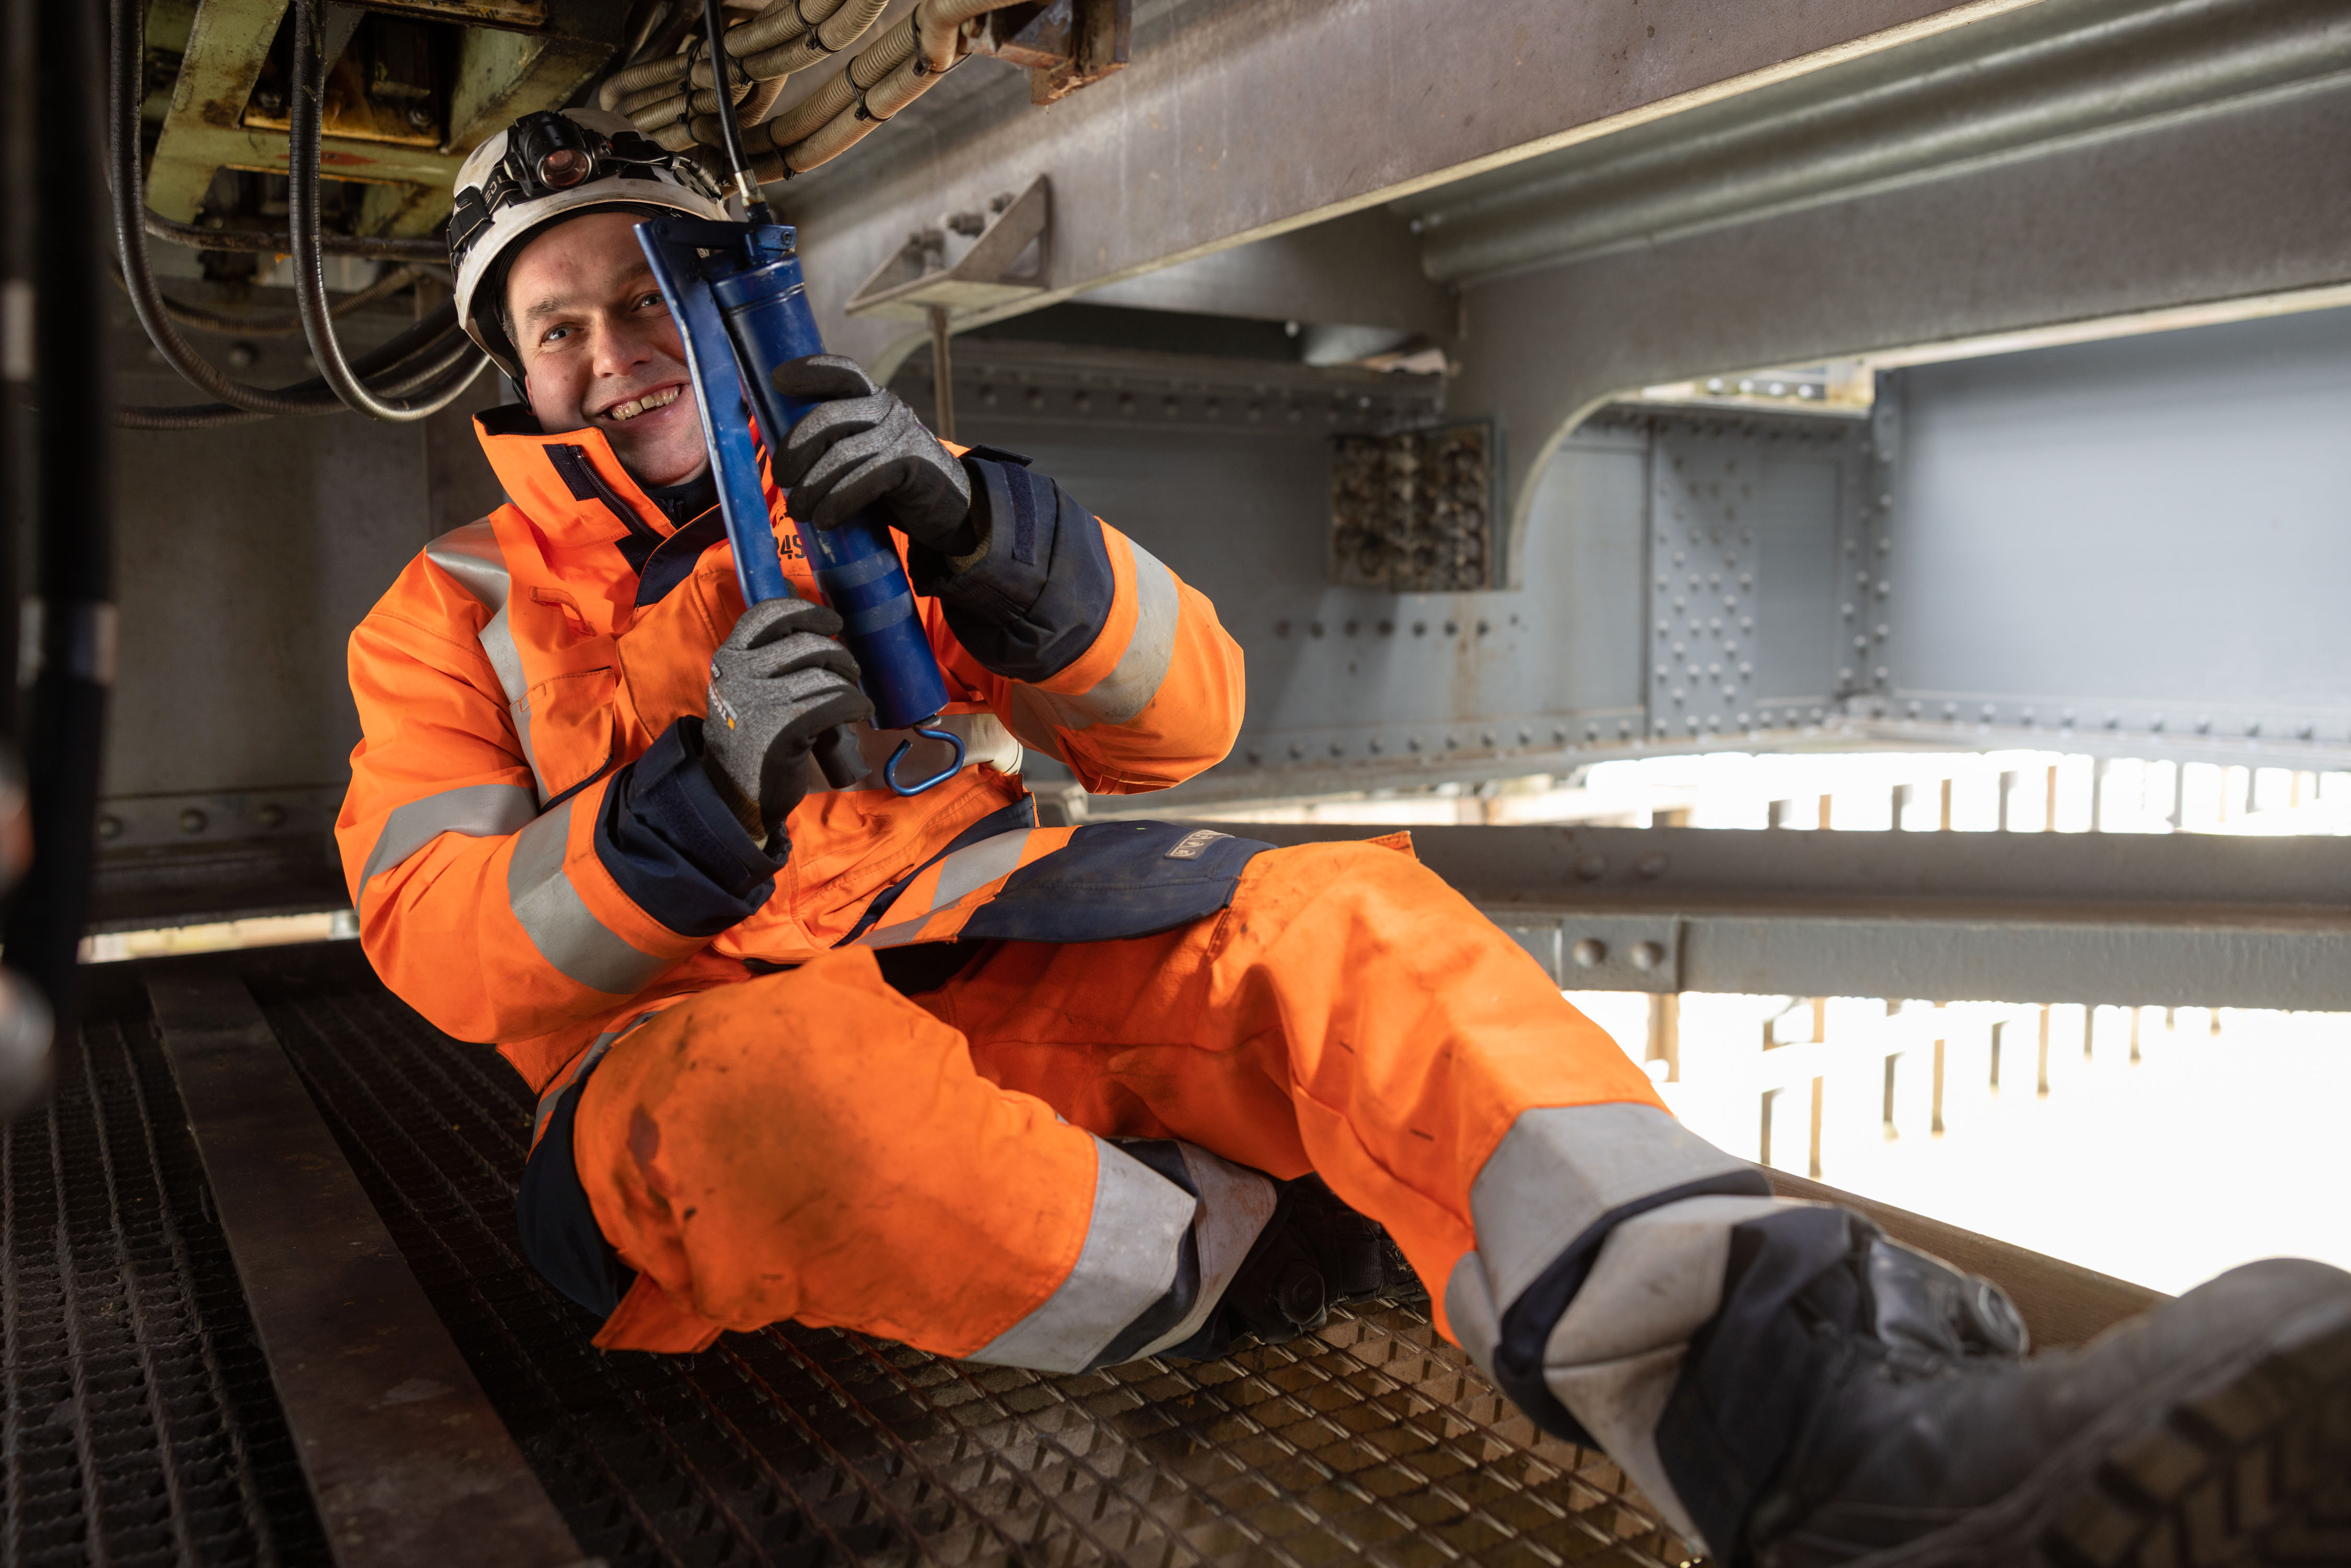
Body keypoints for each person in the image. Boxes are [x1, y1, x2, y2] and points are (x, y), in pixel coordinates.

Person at [336, 107, 2351, 1566]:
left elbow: (1186, 722)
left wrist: (983, 529)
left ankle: (1832, 1431)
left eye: (638, 303)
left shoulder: (870, 487)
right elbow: (438, 931)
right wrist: (682, 804)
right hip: (705, 1044)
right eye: (558, 330)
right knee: (771, 1100)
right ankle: (1194, 1249)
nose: (611, 355)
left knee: (1345, 915)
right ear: (515, 375)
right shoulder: (448, 616)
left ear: (717, 311)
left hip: (1000, 955)